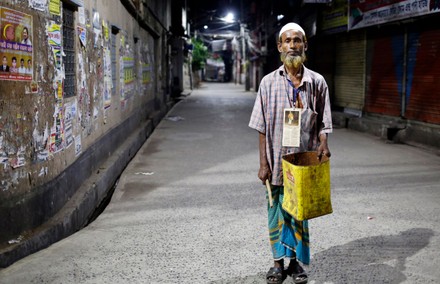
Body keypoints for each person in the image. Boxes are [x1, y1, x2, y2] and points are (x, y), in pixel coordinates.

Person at [248, 22, 332, 284]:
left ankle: (295, 263)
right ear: (279, 47)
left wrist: (323, 143)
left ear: (305, 45)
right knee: (275, 212)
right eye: (287, 41)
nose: (292, 45)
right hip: (275, 161)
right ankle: (276, 263)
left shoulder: (317, 82)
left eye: (297, 40)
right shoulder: (267, 82)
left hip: (302, 164)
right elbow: (261, 126)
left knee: (299, 213)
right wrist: (263, 163)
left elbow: (323, 122)